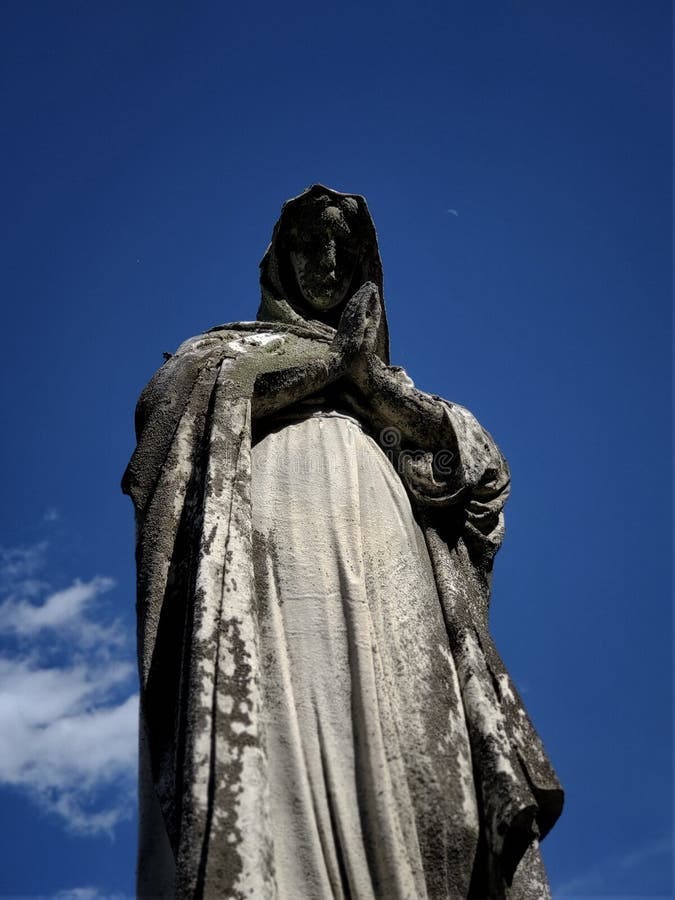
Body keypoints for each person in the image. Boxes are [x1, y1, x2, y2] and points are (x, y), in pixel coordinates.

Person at [123, 185, 563, 899]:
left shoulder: (390, 388)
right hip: (272, 553)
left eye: (343, 249)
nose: (325, 262)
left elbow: (476, 469)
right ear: (277, 258)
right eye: (308, 243)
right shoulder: (226, 350)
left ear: (365, 268)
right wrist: (335, 366)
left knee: (429, 755)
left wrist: (369, 380)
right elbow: (170, 409)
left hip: (388, 557)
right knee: (288, 707)